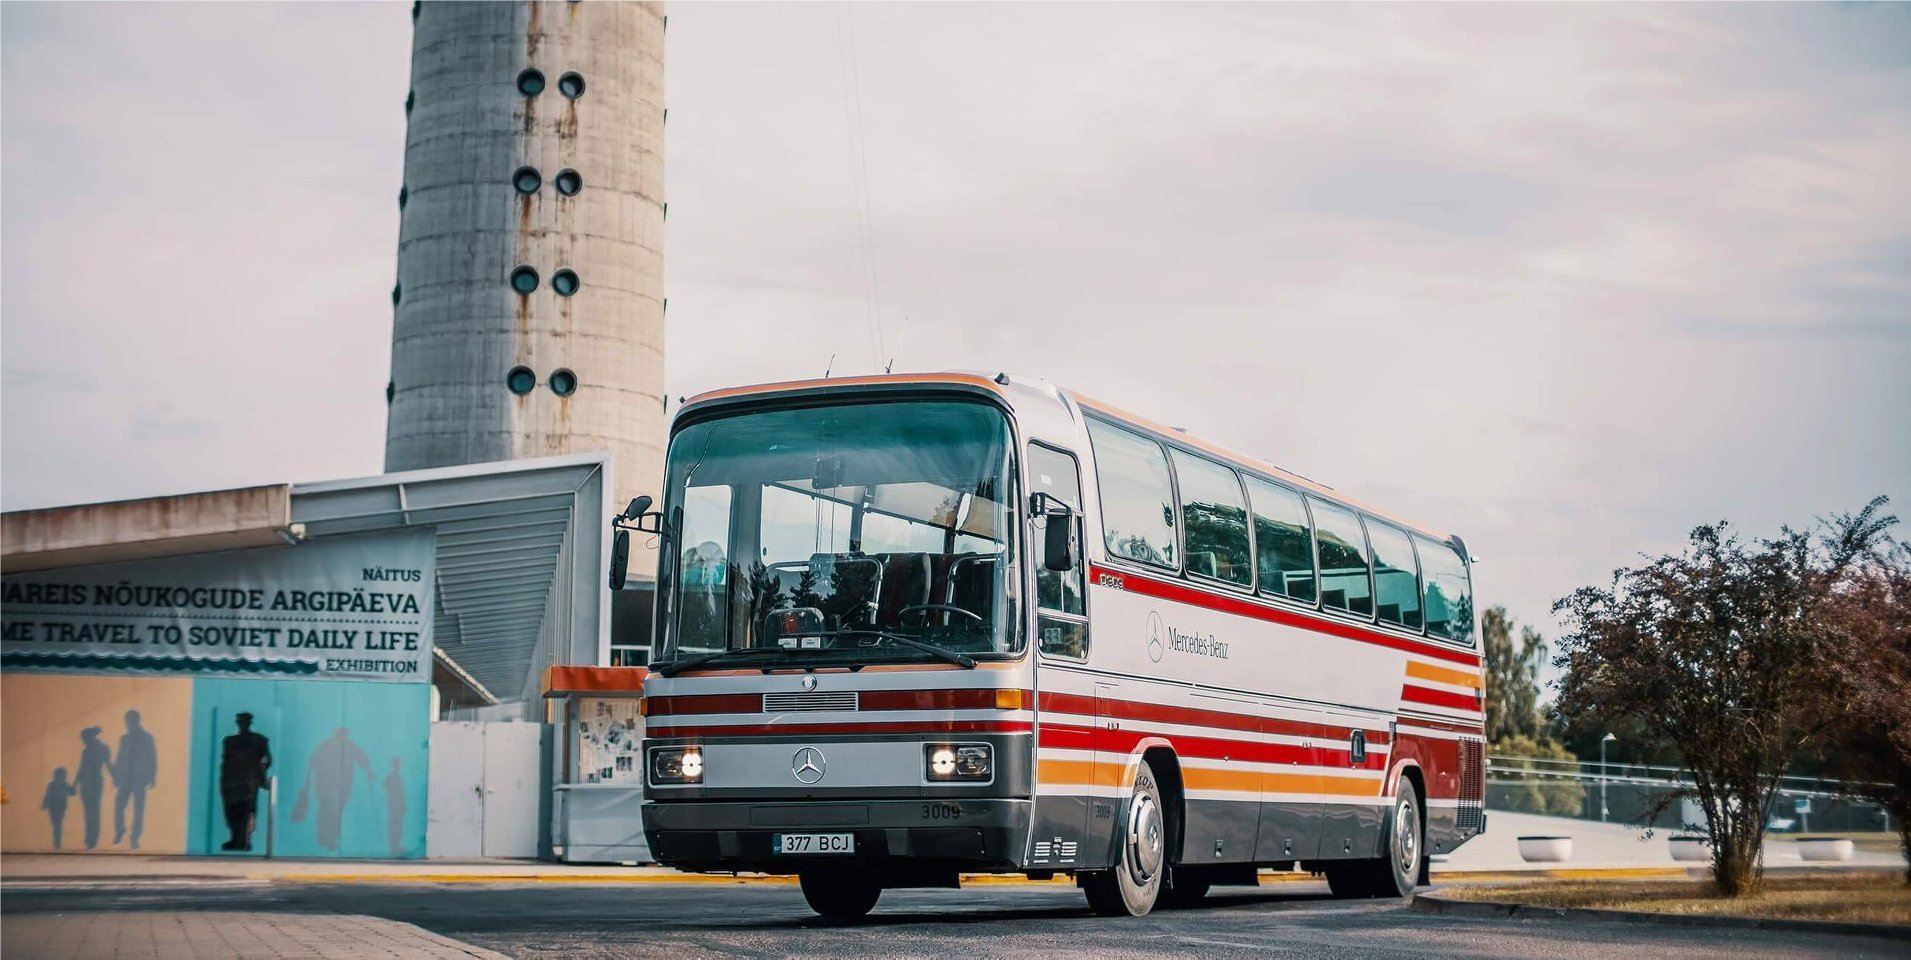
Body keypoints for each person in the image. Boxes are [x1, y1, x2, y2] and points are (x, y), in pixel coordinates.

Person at [218, 713, 271, 852]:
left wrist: (261, 777)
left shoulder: (258, 740)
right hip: (234, 781)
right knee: (234, 811)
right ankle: (237, 840)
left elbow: (265, 760)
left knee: (244, 811)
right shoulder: (230, 741)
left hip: (244, 781)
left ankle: (243, 841)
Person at [112, 709, 158, 849]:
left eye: (129, 720)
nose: (127, 723)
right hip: (125, 778)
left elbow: (152, 757)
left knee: (138, 809)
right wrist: (116, 776)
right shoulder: (124, 739)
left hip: (139, 778)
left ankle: (134, 837)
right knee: (119, 805)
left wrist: (152, 776)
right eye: (126, 721)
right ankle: (120, 831)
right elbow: (119, 758)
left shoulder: (147, 738)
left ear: (136, 720)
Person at [74, 727, 111, 850]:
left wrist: (74, 784)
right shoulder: (103, 748)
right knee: (95, 811)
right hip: (96, 782)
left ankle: (90, 839)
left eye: (83, 738)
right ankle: (93, 838)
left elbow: (81, 769)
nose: (82, 741)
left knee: (89, 812)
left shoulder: (87, 750)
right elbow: (109, 765)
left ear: (88, 737)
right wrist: (116, 778)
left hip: (87, 783)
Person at [41, 767, 76, 850]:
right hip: (56, 808)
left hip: (58, 808)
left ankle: (57, 842)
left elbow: (72, 793)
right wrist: (44, 804)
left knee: (57, 825)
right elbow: (72, 793)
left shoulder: (58, 785)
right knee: (57, 825)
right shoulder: (59, 785)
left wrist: (44, 804)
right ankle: (57, 842)